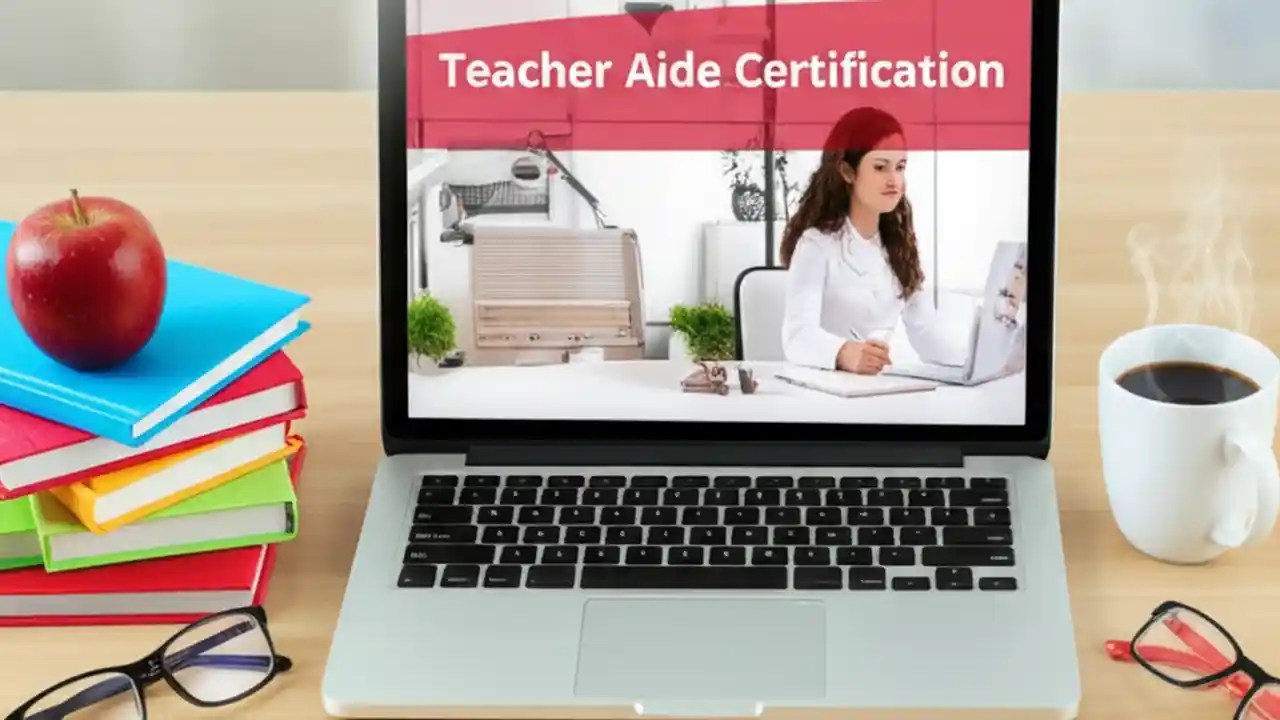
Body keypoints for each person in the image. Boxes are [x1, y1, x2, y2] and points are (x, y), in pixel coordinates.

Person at [779, 106, 965, 375]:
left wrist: (971, 361)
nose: (894, 180)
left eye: (900, 167)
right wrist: (843, 352)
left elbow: (925, 332)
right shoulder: (816, 245)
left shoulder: (898, 245)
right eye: (880, 167)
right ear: (848, 172)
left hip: (875, 389)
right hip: (825, 392)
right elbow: (797, 336)